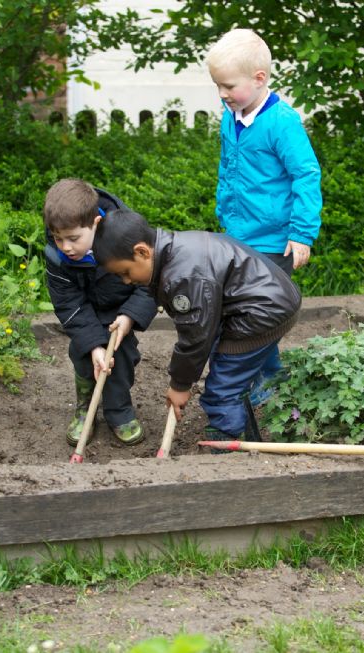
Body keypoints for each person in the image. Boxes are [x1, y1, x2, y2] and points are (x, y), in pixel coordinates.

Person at [92, 209, 301, 447]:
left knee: (221, 391)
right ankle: (244, 428)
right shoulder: (172, 250)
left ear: (142, 251)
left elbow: (195, 337)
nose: (127, 281)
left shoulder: (183, 277)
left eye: (125, 272)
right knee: (225, 369)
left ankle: (229, 450)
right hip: (265, 300)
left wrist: (179, 386)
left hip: (263, 312)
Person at [204, 27, 322, 405]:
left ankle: (269, 377)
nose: (222, 94)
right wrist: (225, 209)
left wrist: (302, 233)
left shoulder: (281, 122)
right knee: (242, 310)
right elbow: (229, 166)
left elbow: (306, 174)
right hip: (239, 233)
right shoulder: (232, 114)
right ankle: (264, 372)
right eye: (218, 86)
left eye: (228, 86)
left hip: (273, 240)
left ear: (259, 80)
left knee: (260, 312)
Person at [43, 179, 158, 446]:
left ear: (95, 222)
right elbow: (68, 303)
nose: (65, 247)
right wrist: (94, 345)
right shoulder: (57, 257)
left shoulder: (127, 236)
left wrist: (129, 316)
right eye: (58, 238)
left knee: (122, 356)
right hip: (86, 310)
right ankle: (86, 409)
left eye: (73, 239)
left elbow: (150, 282)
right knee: (84, 355)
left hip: (121, 308)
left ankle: (119, 410)